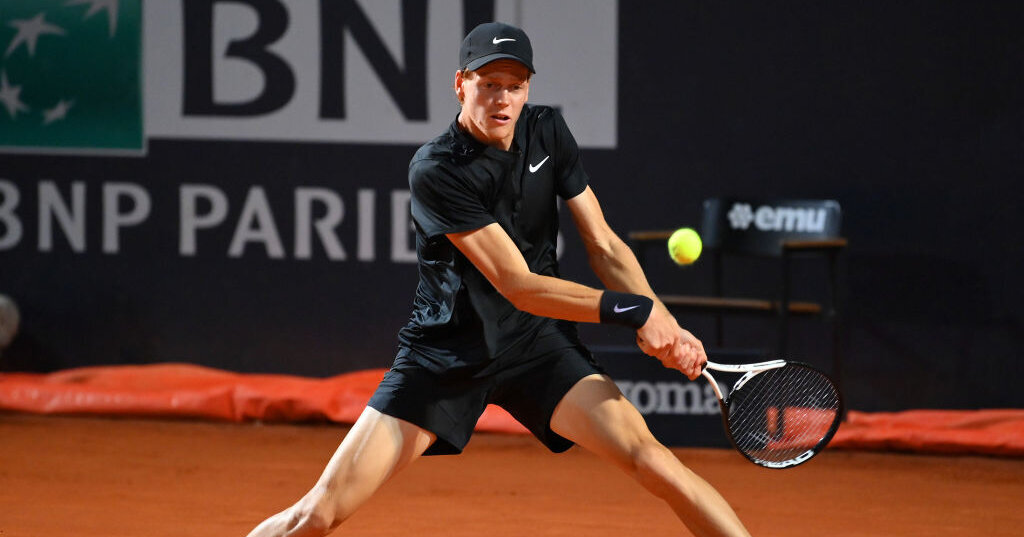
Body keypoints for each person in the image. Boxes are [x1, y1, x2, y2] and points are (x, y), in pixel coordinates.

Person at [247, 22, 751, 537]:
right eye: (489, 84)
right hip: (446, 353)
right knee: (317, 514)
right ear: (460, 84)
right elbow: (519, 284)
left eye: (514, 86)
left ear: (528, 89)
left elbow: (602, 244)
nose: (502, 99)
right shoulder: (437, 170)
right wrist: (635, 312)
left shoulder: (548, 132)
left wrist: (662, 317)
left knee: (655, 461)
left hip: (536, 343)